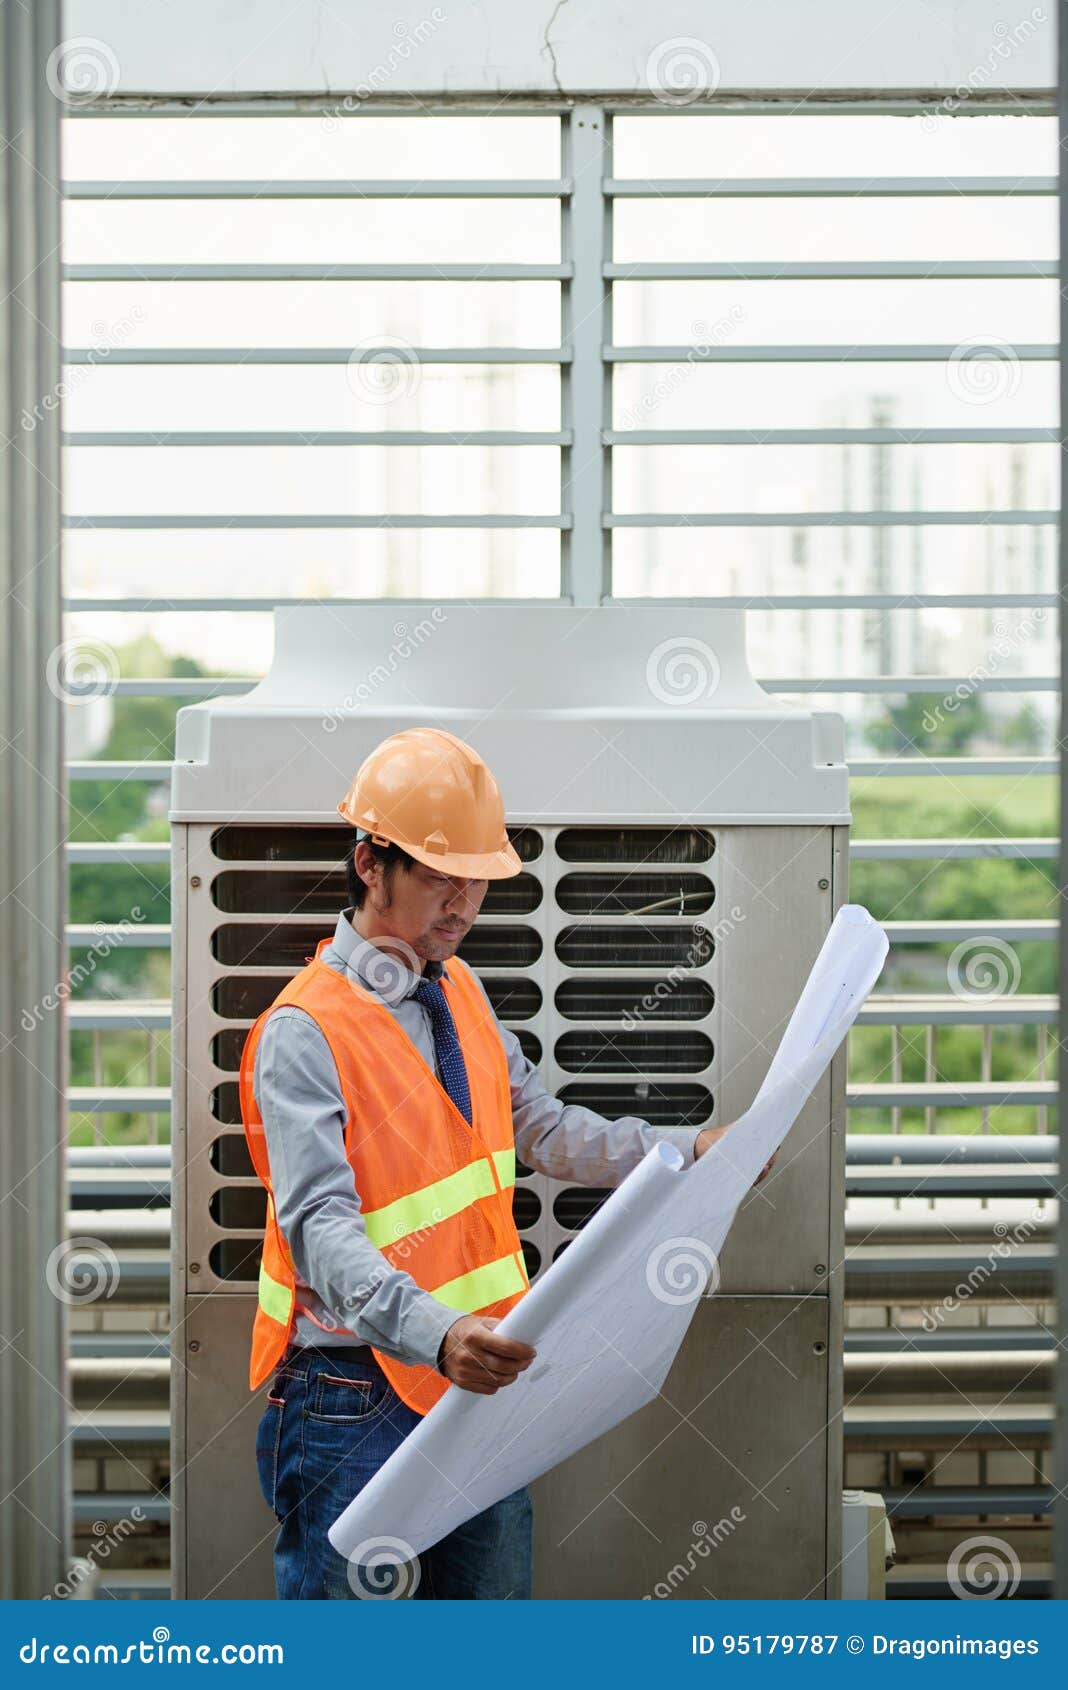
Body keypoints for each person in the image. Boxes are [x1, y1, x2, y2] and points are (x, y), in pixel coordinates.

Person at [241, 725, 773, 1599]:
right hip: (356, 1390)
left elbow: (540, 1126)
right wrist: (436, 1334)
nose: (463, 904)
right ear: (370, 864)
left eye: (478, 882)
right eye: (441, 877)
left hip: (476, 1382)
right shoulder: (306, 1031)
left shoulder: (459, 989)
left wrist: (688, 1152)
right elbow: (320, 1235)